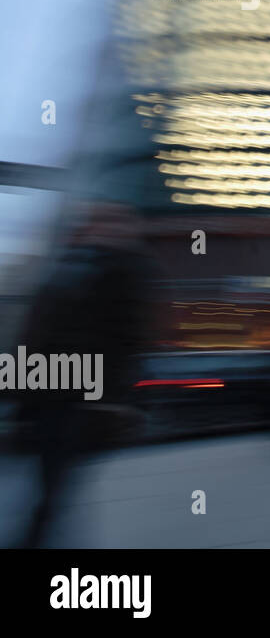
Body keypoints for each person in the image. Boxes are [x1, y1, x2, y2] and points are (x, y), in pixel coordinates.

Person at [15, 200, 154, 547]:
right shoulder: (70, 262)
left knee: (54, 487)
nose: (102, 227)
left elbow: (130, 338)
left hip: (81, 397)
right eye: (97, 221)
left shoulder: (126, 270)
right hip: (47, 388)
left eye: (112, 221)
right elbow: (37, 328)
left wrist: (114, 397)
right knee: (47, 484)